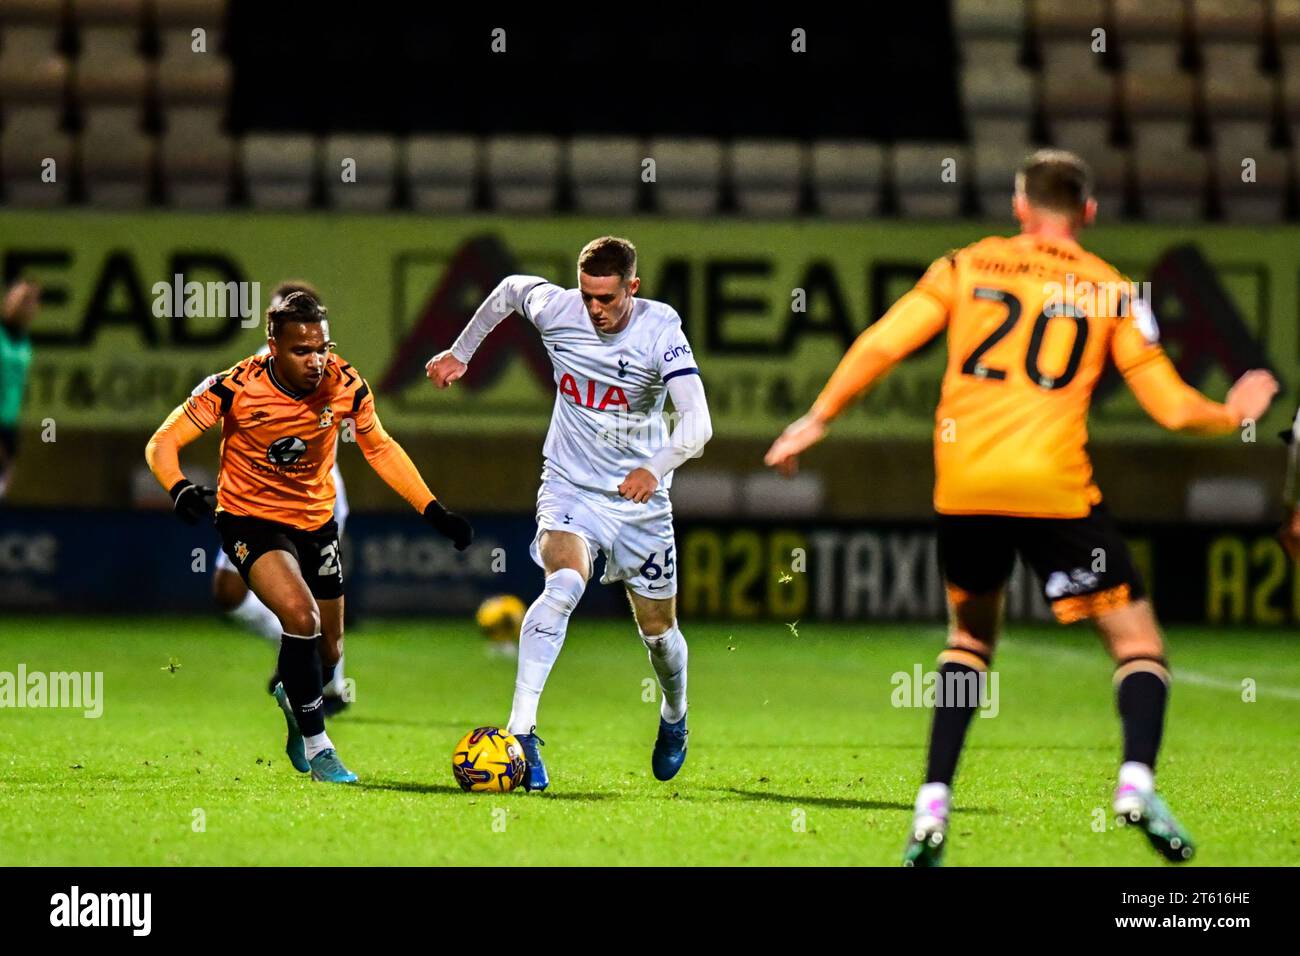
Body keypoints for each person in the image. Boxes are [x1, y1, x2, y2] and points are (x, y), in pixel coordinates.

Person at [764, 149, 1279, 865]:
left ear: (1020, 205)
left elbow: (883, 343)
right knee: (1137, 647)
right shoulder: (1111, 291)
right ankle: (1134, 783)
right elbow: (1169, 407)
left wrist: (818, 417)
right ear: (1089, 212)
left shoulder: (967, 265)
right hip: (1054, 488)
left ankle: (932, 806)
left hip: (966, 486)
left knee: (969, 643)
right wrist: (1231, 412)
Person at [147, 291, 473, 783]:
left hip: (315, 522)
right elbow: (163, 441)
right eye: (302, 350)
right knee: (302, 617)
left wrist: (433, 509)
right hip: (248, 519)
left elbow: (380, 448)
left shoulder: (346, 384)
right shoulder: (234, 386)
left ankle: (295, 701)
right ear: (272, 346)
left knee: (331, 650)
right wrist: (178, 487)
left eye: (321, 347)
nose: (316, 360)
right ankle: (321, 750)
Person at [427, 236, 713, 790]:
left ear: (633, 287)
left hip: (640, 504)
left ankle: (675, 716)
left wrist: (653, 468)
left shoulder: (661, 332)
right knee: (563, 584)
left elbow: (698, 423)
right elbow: (509, 290)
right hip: (570, 486)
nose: (595, 309)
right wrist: (462, 352)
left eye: (607, 298)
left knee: (660, 634)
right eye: (588, 296)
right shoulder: (560, 309)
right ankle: (522, 735)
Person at [208, 281, 352, 715]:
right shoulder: (254, 367)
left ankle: (329, 686)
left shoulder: (323, 370)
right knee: (228, 593)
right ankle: (295, 639)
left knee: (311, 597)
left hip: (311, 498)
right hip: (254, 498)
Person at [0, 280, 39, 500]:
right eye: (24, 301)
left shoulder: (24, 341)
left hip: (10, 421)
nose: (30, 307)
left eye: (33, 302)